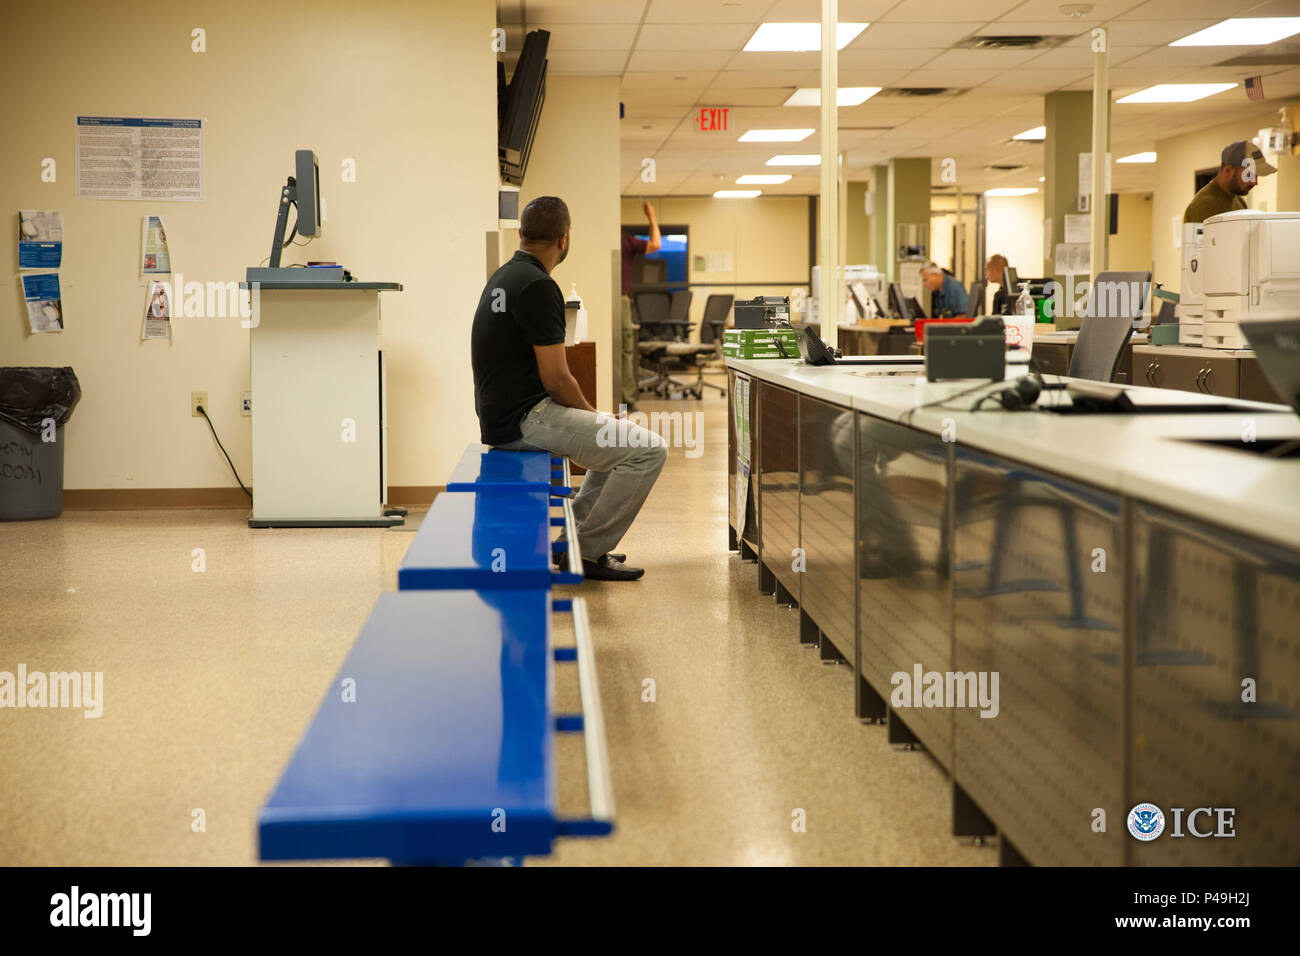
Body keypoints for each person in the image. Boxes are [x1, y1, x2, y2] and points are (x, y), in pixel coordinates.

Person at [471, 196, 667, 582]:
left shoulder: (505, 275)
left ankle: (572, 544)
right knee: (648, 451)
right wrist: (594, 415)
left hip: (504, 414)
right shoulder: (540, 286)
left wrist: (593, 417)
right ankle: (589, 552)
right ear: (564, 239)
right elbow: (557, 379)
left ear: (522, 234)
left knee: (616, 442)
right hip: (525, 419)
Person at [620, 200, 661, 411]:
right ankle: (626, 401)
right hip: (620, 300)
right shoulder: (625, 241)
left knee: (624, 351)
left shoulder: (625, 241)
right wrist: (652, 217)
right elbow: (656, 244)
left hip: (617, 300)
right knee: (626, 351)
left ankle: (624, 400)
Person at [1183, 140, 1277, 224]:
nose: (1255, 182)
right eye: (1249, 175)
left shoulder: (1239, 202)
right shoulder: (1205, 206)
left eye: (1256, 176)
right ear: (1228, 171)